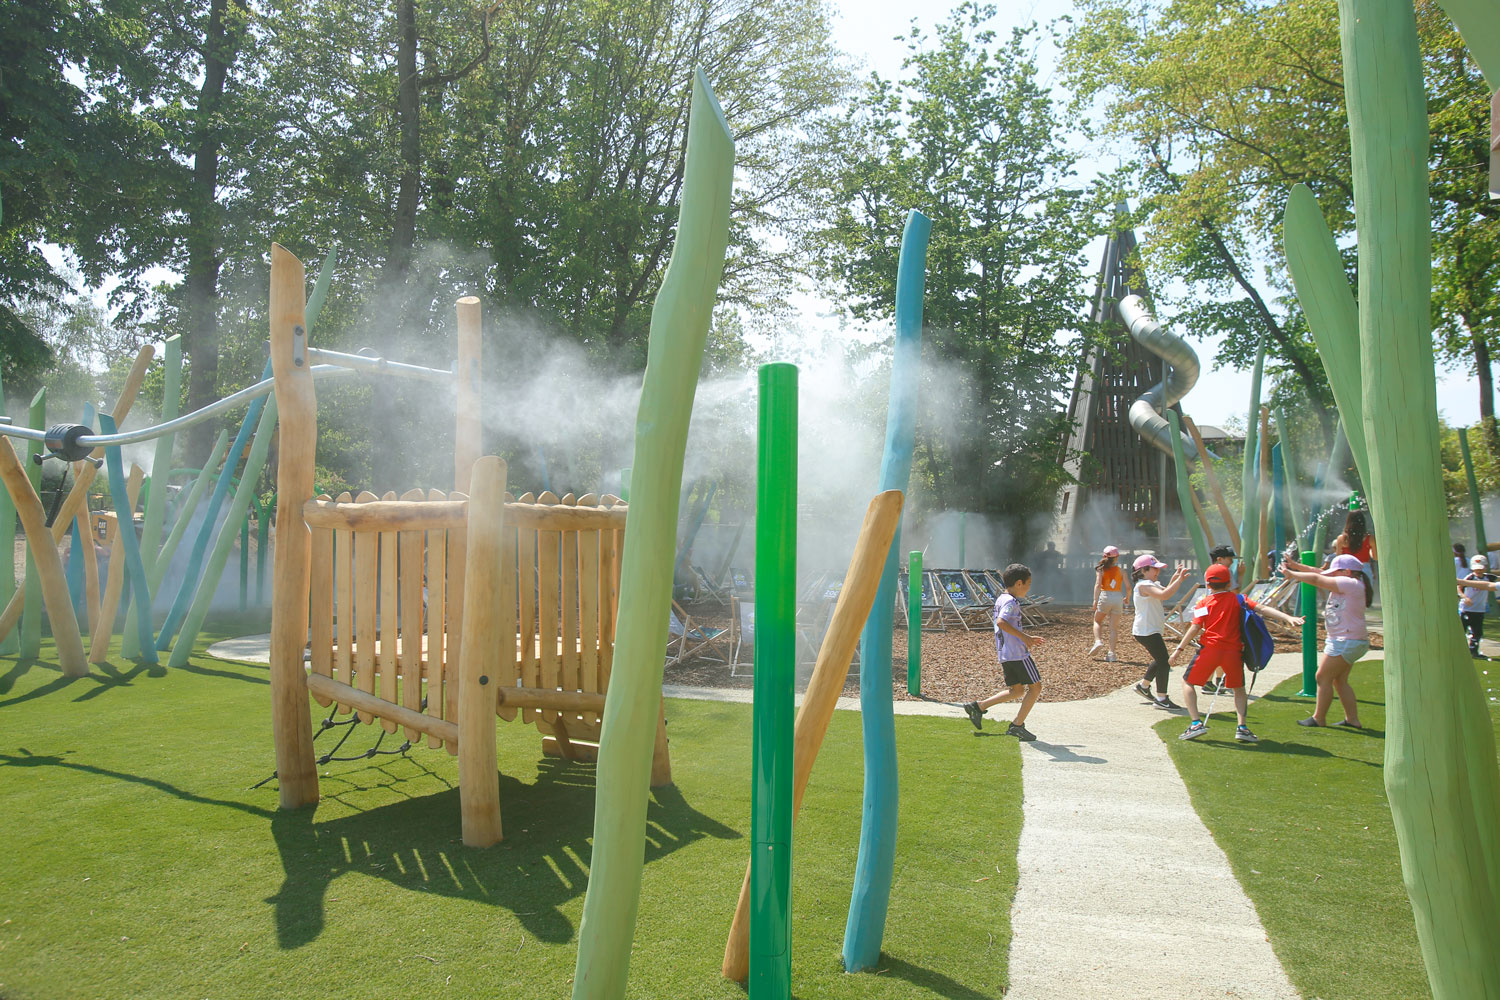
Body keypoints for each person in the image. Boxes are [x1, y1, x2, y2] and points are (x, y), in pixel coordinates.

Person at [1169, 562, 1304, 743]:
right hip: (1233, 652)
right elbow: (1262, 609)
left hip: (1209, 650)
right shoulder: (1240, 599)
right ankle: (1242, 727)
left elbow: (1195, 628)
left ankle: (1195, 723)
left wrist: (1178, 650)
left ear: (1208, 585)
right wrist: (1289, 618)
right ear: (1228, 584)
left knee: (1188, 682)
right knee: (1239, 688)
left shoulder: (1203, 603)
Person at [1282, 554, 1372, 727]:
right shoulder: (1350, 581)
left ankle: (1318, 718)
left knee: (1322, 677)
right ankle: (1352, 720)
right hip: (1350, 640)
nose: (1331, 576)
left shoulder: (1350, 583)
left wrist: (1292, 574)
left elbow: (1317, 578)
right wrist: (1295, 566)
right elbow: (1319, 573)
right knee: (1339, 680)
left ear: (1346, 572)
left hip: (1346, 641)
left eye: (1335, 572)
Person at [963, 563, 1044, 741]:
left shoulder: (1001, 598)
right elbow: (1001, 622)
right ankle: (1016, 726)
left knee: (1016, 691)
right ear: (1019, 583)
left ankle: (978, 706)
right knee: (1035, 688)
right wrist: (1026, 639)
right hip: (1018, 654)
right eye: (1028, 584)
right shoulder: (1011, 602)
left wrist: (1026, 636)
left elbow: (1005, 624)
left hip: (1006, 653)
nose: (1029, 588)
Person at [1130, 554, 1192, 708]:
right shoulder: (1143, 585)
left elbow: (1164, 592)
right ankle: (1161, 699)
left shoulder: (1150, 584)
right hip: (1146, 631)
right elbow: (1165, 594)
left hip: (1149, 630)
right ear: (1143, 571)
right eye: (1154, 569)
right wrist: (1179, 580)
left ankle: (1143, 687)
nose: (1157, 572)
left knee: (1160, 660)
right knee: (1164, 662)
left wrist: (1175, 577)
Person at [1089, 545, 1126, 661]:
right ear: (1117, 557)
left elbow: (1098, 584)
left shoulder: (1101, 569)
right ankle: (1112, 654)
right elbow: (1129, 587)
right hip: (1118, 597)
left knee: (1097, 620)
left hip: (1105, 596)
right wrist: (1128, 597)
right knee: (1113, 628)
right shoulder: (1121, 571)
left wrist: (1095, 600)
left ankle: (1098, 641)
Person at [1459, 554, 1495, 658]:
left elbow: (1497, 579)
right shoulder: (1470, 577)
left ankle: (1473, 652)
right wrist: (1464, 597)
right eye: (1476, 569)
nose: (1478, 571)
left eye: (1481, 568)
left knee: (1477, 632)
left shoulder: (1488, 578)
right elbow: (1459, 587)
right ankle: (1459, 650)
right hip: (1466, 609)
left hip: (1479, 610)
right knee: (1462, 630)